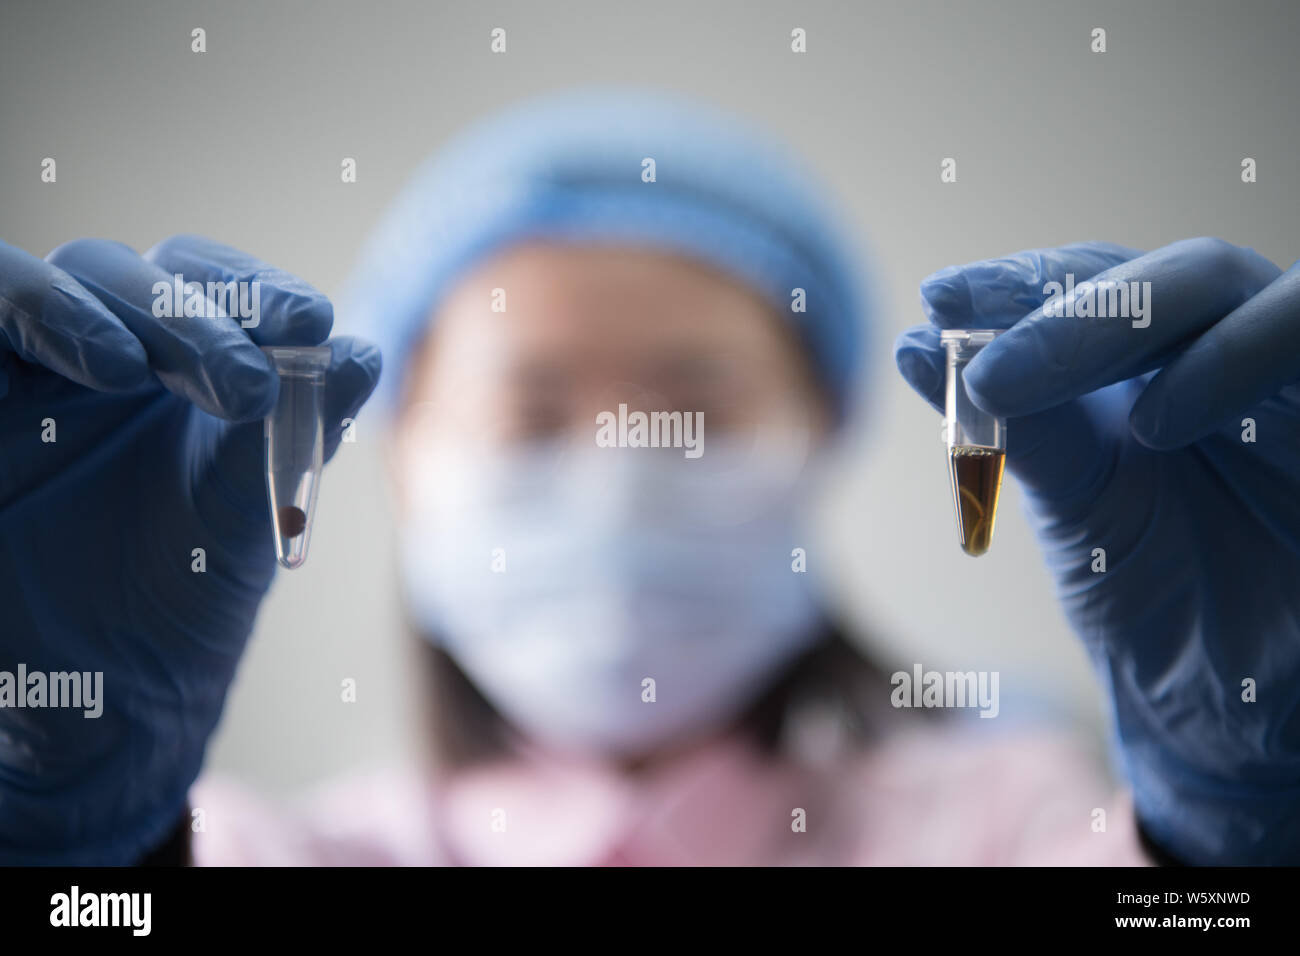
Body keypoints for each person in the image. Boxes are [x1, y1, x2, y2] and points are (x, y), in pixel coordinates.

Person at [1, 90, 1297, 866]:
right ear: (398, 460)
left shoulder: (1016, 820)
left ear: (823, 435)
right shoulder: (253, 855)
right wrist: (72, 854)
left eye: (693, 405)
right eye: (533, 412)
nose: (621, 465)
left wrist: (1226, 842)